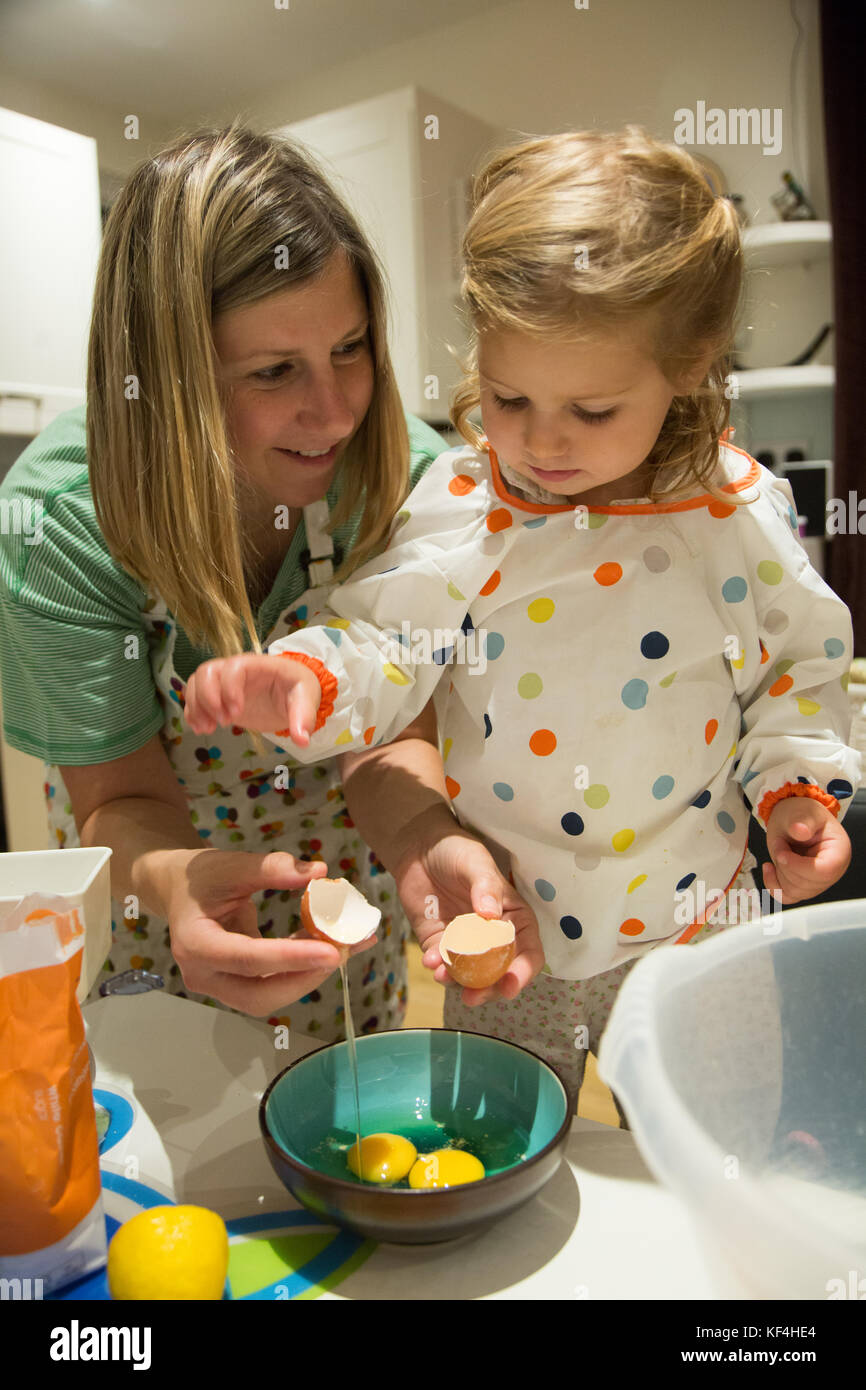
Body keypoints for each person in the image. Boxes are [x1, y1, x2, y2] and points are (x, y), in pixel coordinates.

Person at [183, 126, 861, 1108]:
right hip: (507, 933)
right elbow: (387, 639)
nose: (541, 442)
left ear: (688, 364)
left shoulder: (734, 510)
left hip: (695, 925)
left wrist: (798, 785)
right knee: (495, 1144)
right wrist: (309, 676)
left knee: (712, 1148)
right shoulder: (469, 499)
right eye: (508, 397)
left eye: (590, 411)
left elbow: (797, 664)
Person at [0, 120, 536, 1034]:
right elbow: (120, 803)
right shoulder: (64, 527)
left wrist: (419, 842)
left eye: (351, 348)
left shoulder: (401, 476)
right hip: (153, 934)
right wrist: (182, 886)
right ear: (166, 378)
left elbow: (384, 731)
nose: (333, 413)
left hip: (344, 924)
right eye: (274, 370)